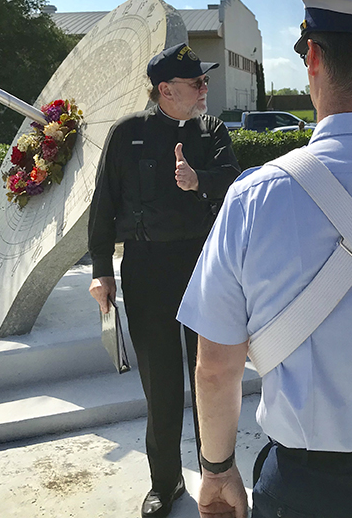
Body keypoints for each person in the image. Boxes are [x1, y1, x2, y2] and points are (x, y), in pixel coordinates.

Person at [177, 0, 352, 518]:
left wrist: (218, 470)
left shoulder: (253, 198)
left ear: (312, 57)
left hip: (299, 488)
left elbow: (217, 366)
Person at [88, 42, 240, 518]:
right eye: (197, 82)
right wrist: (100, 271)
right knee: (160, 382)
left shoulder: (211, 130)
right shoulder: (127, 134)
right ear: (165, 90)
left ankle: (213, 476)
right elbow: (103, 205)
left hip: (201, 266)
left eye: (204, 80)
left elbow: (235, 179)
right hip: (146, 268)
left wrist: (201, 180)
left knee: (208, 377)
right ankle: (165, 482)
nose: (204, 89)